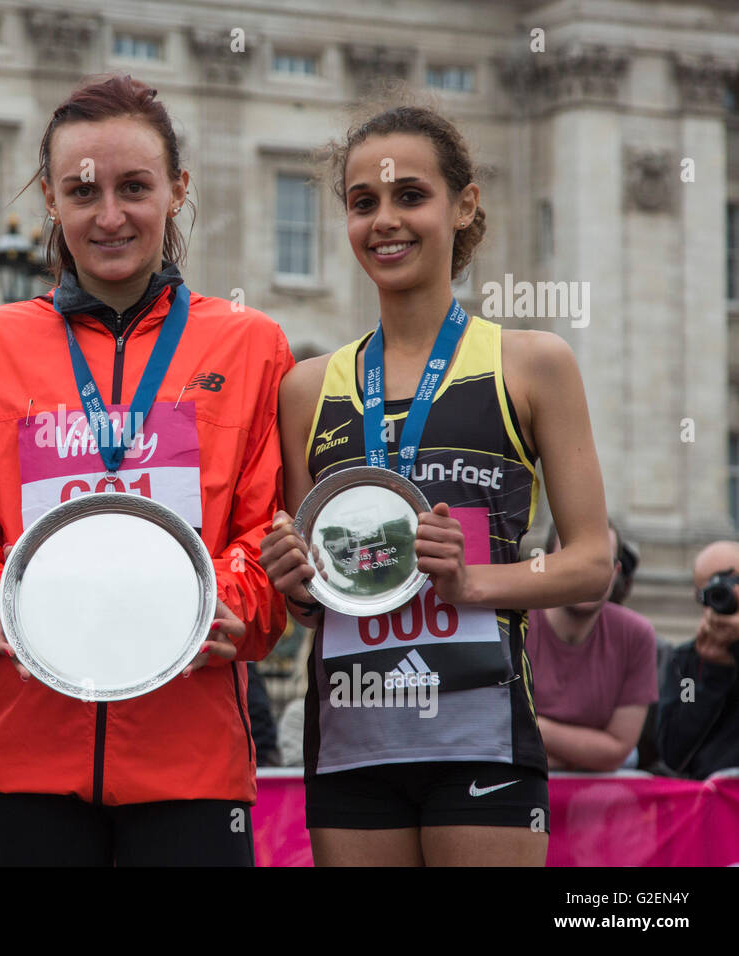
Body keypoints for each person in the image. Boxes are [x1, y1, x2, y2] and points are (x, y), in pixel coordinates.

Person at [0, 74, 292, 866]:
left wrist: (223, 606)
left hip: (190, 756)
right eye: (81, 191)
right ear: (51, 202)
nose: (108, 216)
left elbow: (268, 531)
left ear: (177, 190)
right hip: (25, 753)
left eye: (134, 187)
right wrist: (6, 607)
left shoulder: (251, 344)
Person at [259, 101, 612, 866]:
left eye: (410, 195)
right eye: (363, 203)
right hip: (351, 738)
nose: (385, 220)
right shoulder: (306, 387)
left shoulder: (533, 363)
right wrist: (291, 583)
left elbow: (592, 561)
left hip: (481, 737)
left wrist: (473, 583)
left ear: (464, 205)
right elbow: (314, 602)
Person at [526, 522, 657, 772]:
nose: (586, 573)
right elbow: (492, 733)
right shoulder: (512, 625)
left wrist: (528, 727)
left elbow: (617, 750)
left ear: (616, 572)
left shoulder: (636, 635)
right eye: (572, 558)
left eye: (600, 562)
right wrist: (585, 755)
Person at [657, 540, 739, 779]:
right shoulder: (687, 664)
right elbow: (673, 752)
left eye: (731, 583)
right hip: (709, 795)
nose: (722, 595)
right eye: (712, 591)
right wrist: (713, 673)